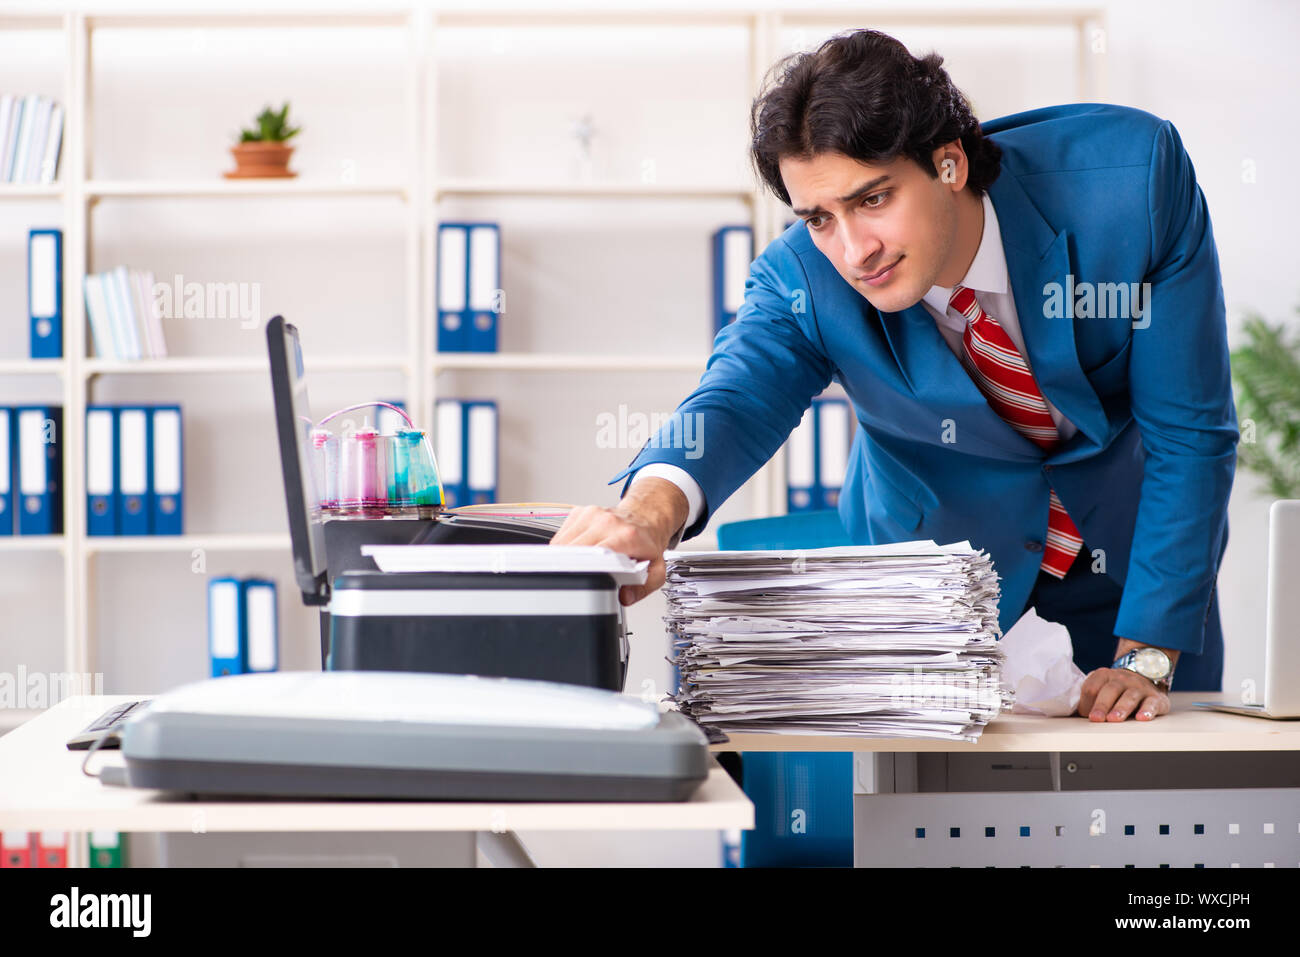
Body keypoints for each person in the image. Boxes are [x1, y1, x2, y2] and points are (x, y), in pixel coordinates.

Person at [551, 29, 1237, 722]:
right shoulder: (805, 276)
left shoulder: (1132, 189)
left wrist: (1147, 653)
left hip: (1136, 582)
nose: (855, 251)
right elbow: (735, 397)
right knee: (936, 825)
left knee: (1160, 813)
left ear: (949, 164)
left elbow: (1190, 435)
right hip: (932, 610)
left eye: (873, 200)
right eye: (820, 217)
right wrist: (645, 515)